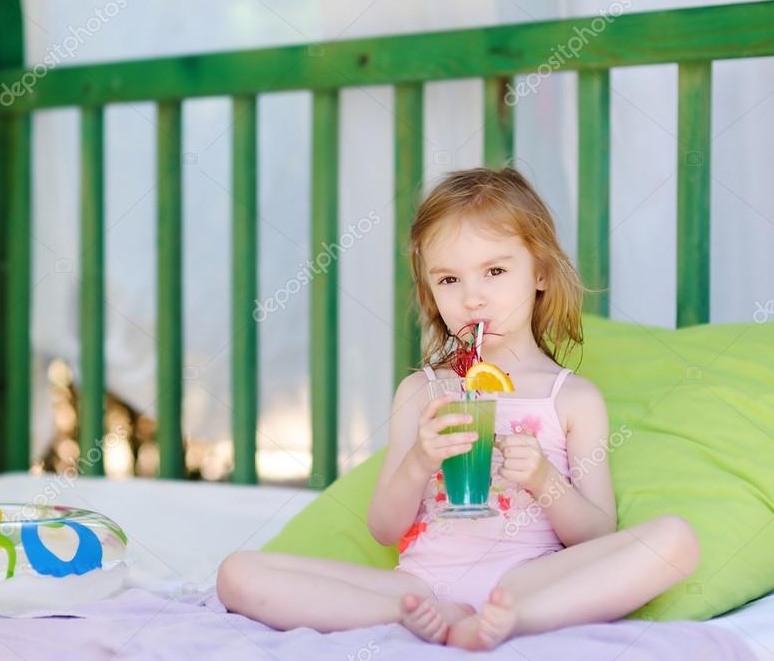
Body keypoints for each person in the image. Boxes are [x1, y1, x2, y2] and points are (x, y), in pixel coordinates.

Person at [215, 167, 700, 650]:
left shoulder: (572, 398)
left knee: (676, 539)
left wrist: (544, 480)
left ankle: (513, 619)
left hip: (529, 580)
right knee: (237, 573)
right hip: (424, 585)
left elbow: (597, 536)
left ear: (541, 274)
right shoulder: (422, 392)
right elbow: (384, 529)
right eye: (449, 279)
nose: (473, 298)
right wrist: (419, 461)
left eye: (495, 271)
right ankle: (417, 619)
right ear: (430, 292)